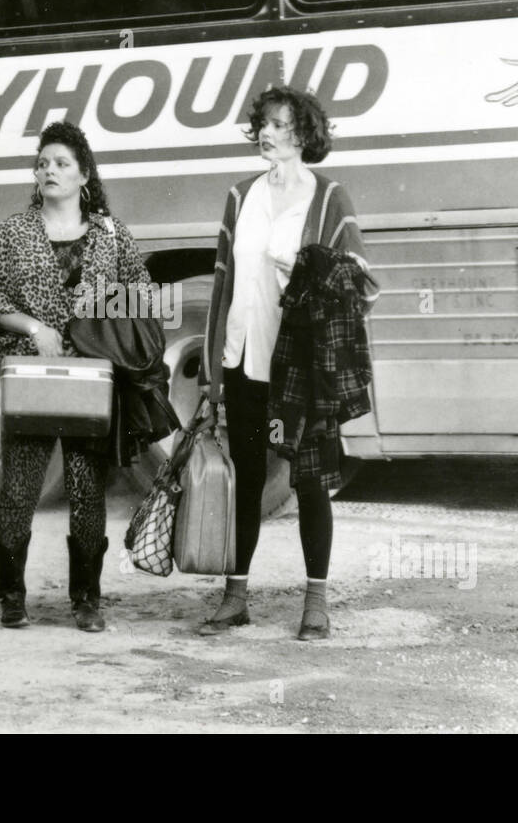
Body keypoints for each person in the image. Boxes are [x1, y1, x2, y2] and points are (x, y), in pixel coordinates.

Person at [198, 85, 378, 640]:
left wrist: (305, 273)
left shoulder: (328, 199)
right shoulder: (240, 195)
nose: (267, 134)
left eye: (279, 125)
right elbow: (223, 285)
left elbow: (362, 287)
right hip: (244, 361)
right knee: (247, 479)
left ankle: (316, 604)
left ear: (304, 134)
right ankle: (235, 596)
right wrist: (212, 370)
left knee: (309, 482)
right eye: (263, 124)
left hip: (299, 371)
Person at [0, 120, 151, 632]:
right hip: (32, 376)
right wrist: (34, 326)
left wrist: (96, 317)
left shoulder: (111, 235)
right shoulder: (11, 234)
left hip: (91, 382)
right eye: (43, 163)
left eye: (61, 163)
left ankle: (87, 600)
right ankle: (11, 597)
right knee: (19, 490)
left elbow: (141, 297)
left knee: (86, 490)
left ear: (84, 175)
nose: (48, 170)